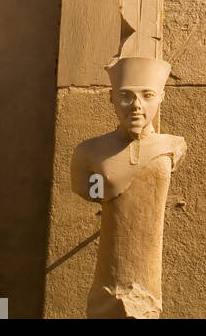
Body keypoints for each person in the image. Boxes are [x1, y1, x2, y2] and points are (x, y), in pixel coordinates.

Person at [71, 55, 186, 319]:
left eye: (147, 96)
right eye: (125, 96)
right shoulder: (88, 152)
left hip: (148, 280)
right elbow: (84, 188)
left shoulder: (172, 145)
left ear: (161, 98)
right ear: (111, 99)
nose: (136, 105)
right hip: (109, 277)